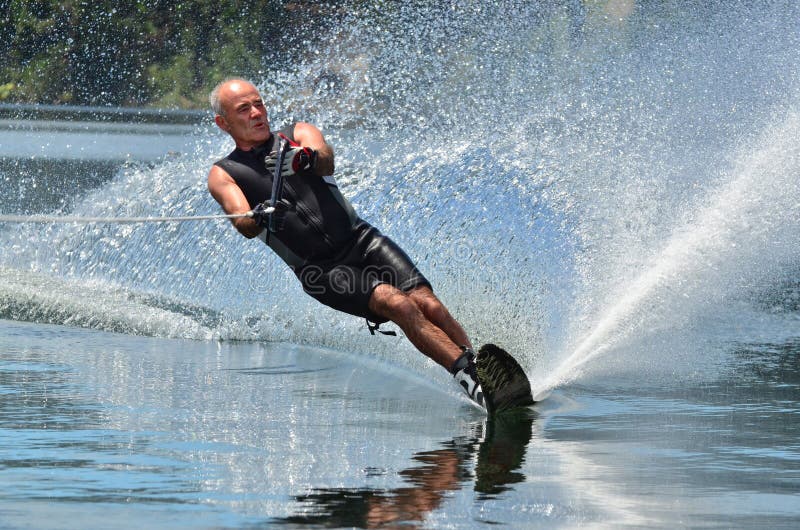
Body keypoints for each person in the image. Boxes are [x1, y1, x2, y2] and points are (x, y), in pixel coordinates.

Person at [207, 78, 484, 408]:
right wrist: (260, 213)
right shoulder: (225, 173)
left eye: (259, 104)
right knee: (398, 305)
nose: (256, 113)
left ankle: (482, 371)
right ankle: (467, 377)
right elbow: (243, 223)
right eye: (244, 109)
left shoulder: (296, 135)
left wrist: (304, 159)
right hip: (320, 271)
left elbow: (326, 158)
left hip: (361, 239)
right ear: (223, 123)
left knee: (430, 304)